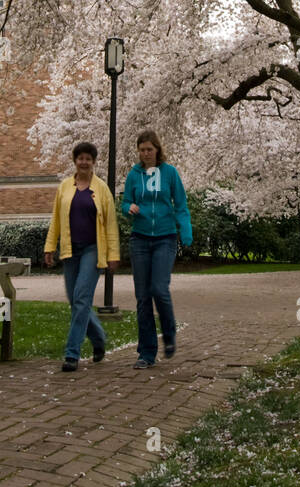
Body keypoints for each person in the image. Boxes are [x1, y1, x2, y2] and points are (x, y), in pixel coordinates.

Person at [44, 141, 120, 372]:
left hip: (93, 250)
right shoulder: (65, 187)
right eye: (80, 158)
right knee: (76, 301)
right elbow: (56, 219)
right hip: (70, 250)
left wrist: (113, 254)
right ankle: (98, 339)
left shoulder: (102, 189)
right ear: (75, 161)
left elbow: (110, 224)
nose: (84, 162)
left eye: (88, 158)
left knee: (81, 299)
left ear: (93, 162)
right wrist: (49, 247)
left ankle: (71, 354)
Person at [121, 129, 192, 368]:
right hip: (139, 239)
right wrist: (128, 207)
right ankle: (146, 353)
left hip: (165, 237)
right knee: (142, 298)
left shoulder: (170, 173)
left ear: (157, 149)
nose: (146, 154)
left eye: (150, 149)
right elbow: (124, 201)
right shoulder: (134, 174)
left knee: (159, 289)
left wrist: (186, 230)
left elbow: (180, 204)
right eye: (142, 150)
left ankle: (169, 333)